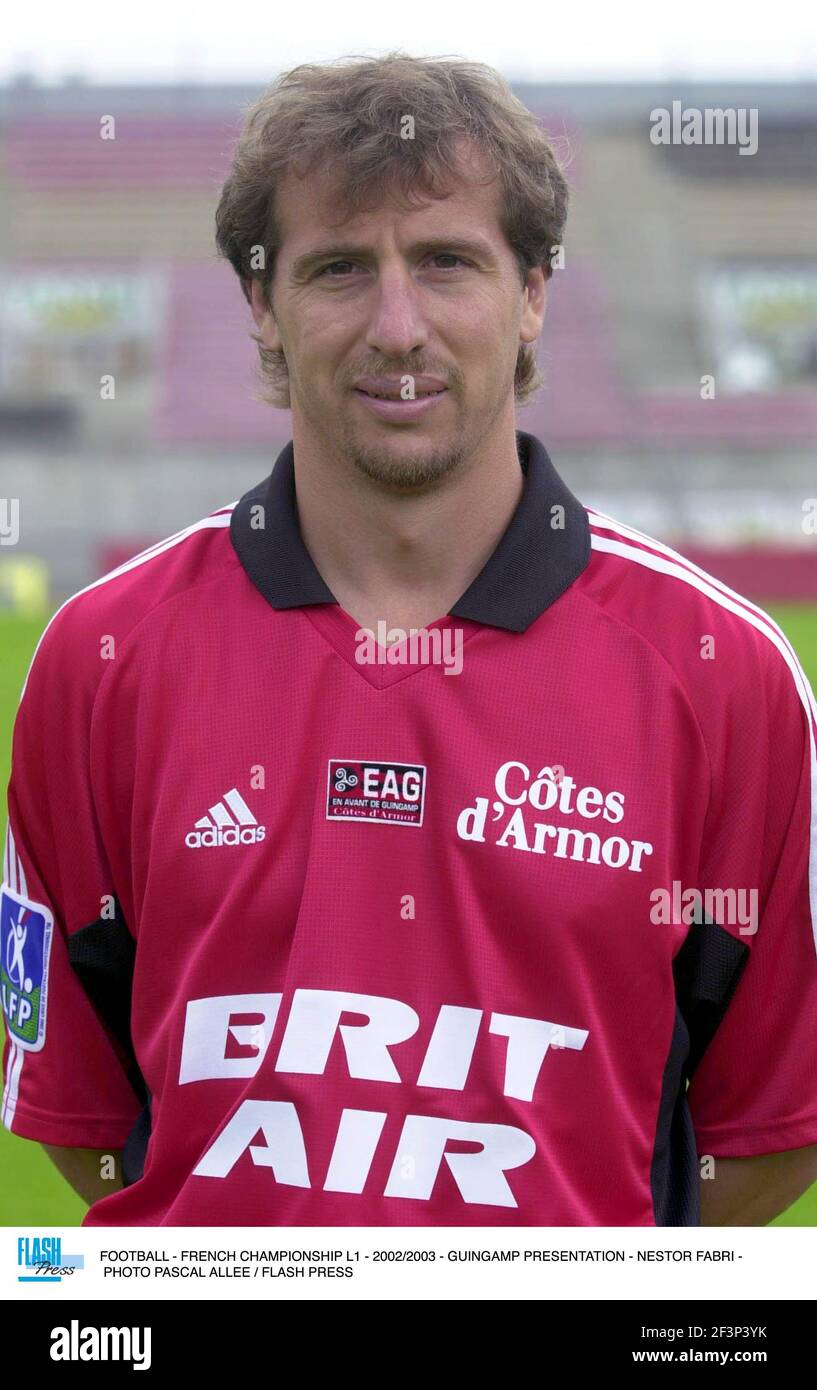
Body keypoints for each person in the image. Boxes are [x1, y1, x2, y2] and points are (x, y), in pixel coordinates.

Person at [2, 53, 817, 1227]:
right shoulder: (101, 658)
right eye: (338, 268)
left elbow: (765, 1127)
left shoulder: (725, 679)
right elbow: (88, 1123)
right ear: (258, 301)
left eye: (446, 261)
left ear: (534, 290)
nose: (397, 328)